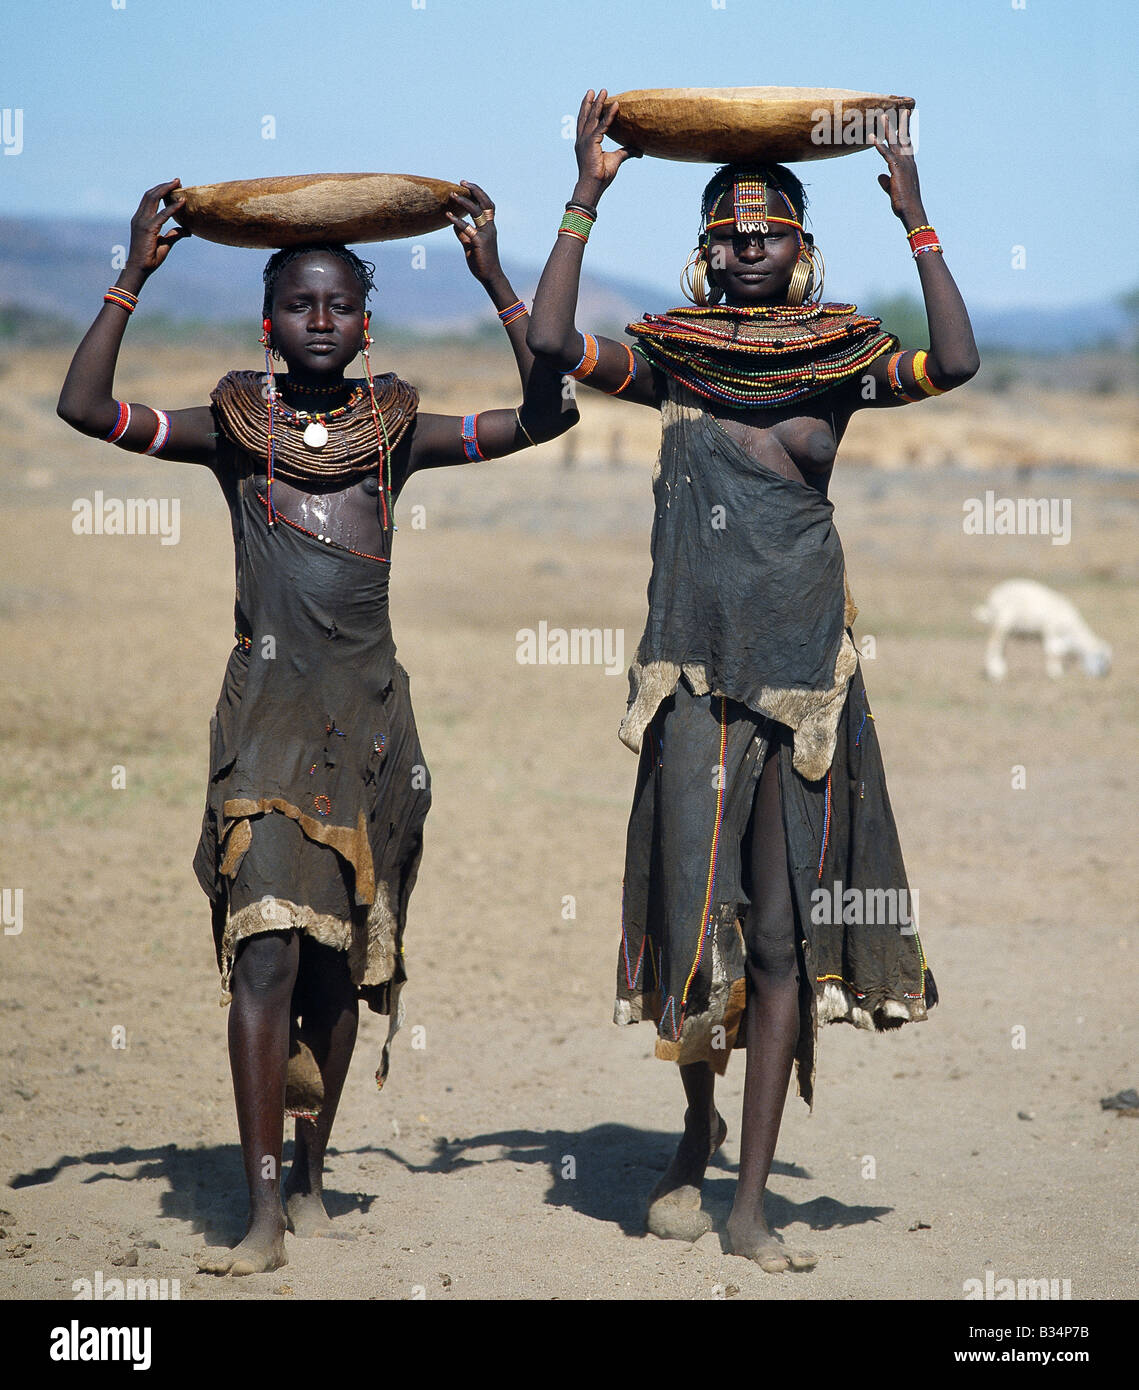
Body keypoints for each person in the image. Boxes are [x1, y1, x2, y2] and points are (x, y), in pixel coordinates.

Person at [57, 178, 575, 1275]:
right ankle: (260, 1213)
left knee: (335, 968)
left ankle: (310, 1172)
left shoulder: (397, 433)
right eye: (300, 303)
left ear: (367, 320)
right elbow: (87, 410)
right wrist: (133, 275)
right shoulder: (233, 430)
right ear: (268, 322)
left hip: (371, 729)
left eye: (341, 303)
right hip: (265, 721)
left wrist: (492, 277)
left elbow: (545, 417)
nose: (322, 319)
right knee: (264, 953)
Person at [527, 91, 978, 1272]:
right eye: (725, 234)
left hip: (804, 680)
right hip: (694, 676)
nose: (743, 247)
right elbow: (548, 343)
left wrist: (915, 213)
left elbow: (956, 361)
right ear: (701, 250)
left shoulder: (841, 356)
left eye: (765, 231)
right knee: (696, 922)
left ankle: (747, 1202)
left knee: (780, 940)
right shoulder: (670, 356)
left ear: (801, 246)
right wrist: (584, 195)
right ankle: (695, 1127)